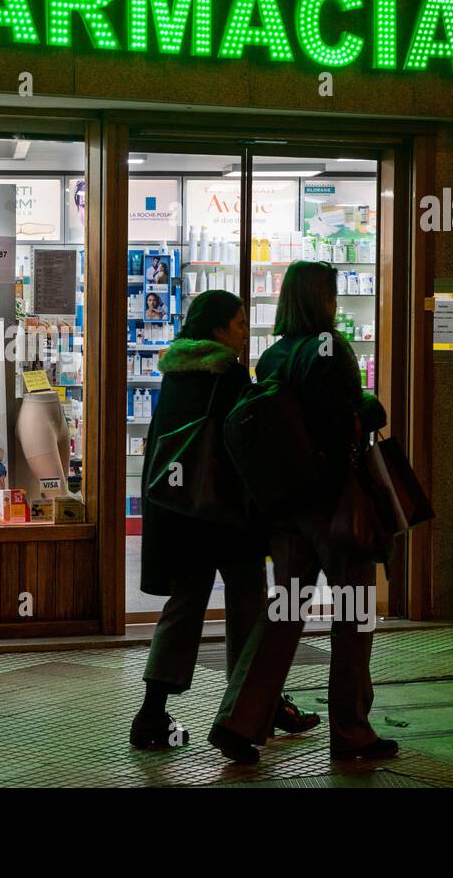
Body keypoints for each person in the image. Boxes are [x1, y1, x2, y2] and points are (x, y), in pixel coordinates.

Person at [207, 261, 395, 765]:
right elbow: (343, 426)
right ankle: (352, 732)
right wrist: (371, 411)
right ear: (322, 300)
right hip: (336, 506)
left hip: (286, 508)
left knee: (283, 614)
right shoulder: (331, 351)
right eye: (332, 295)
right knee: (354, 616)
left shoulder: (272, 356)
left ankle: (240, 719)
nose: (336, 304)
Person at [132, 290, 319, 750]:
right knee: (248, 612)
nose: (243, 332)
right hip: (229, 517)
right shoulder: (229, 377)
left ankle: (152, 712)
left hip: (184, 517)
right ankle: (252, 710)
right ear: (218, 330)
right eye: (238, 323)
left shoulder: (176, 376)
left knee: (183, 609)